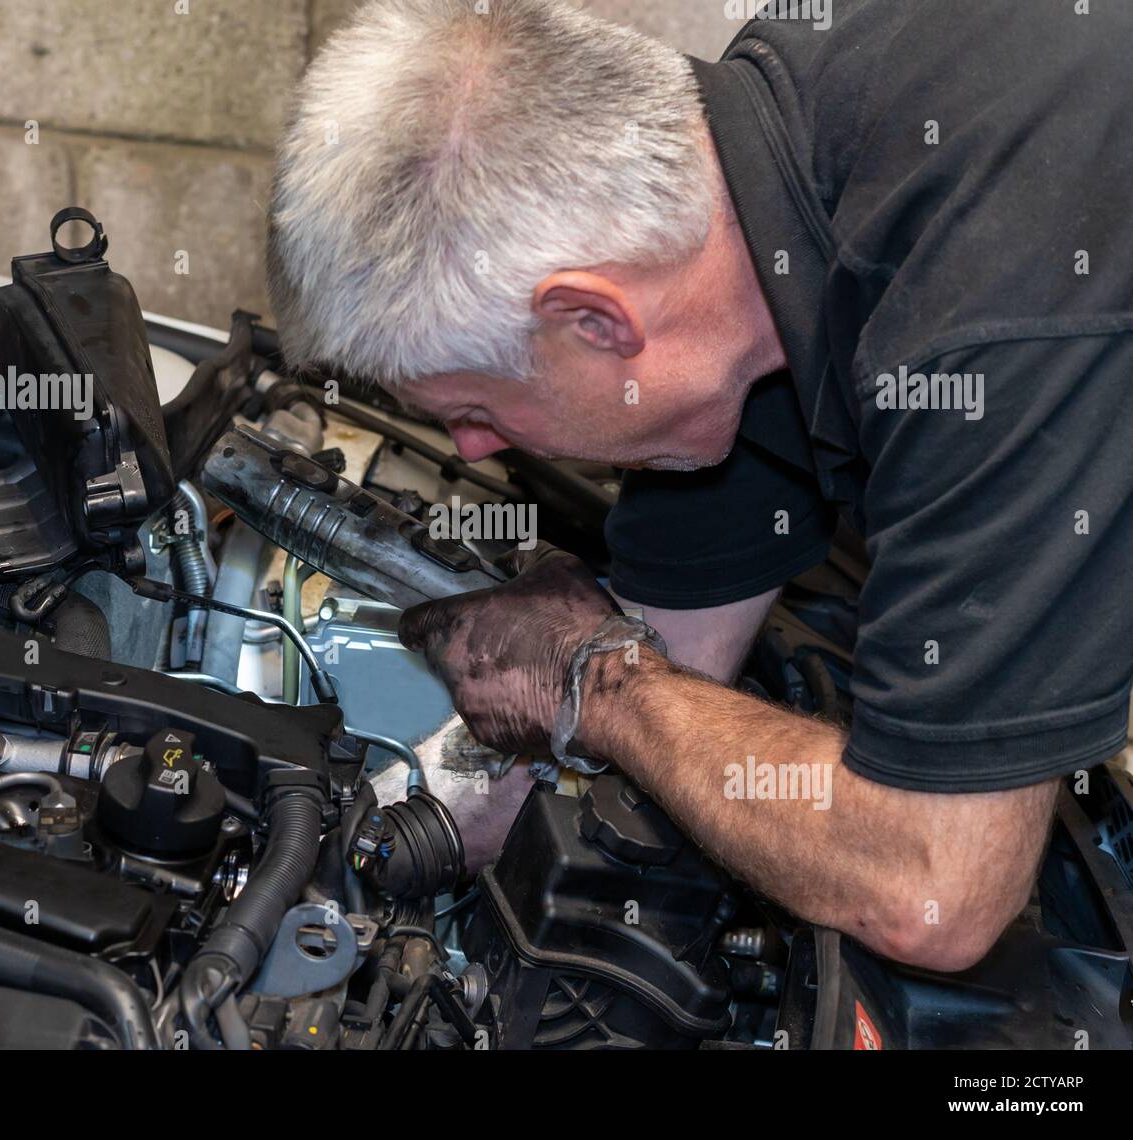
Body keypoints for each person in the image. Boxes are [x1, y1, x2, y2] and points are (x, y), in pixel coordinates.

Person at [265, 0, 1133, 970]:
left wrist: (600, 686)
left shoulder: (986, 316)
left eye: (476, 407)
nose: (471, 450)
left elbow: (931, 888)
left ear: (595, 322)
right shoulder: (757, 183)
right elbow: (675, 630)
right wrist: (377, 841)